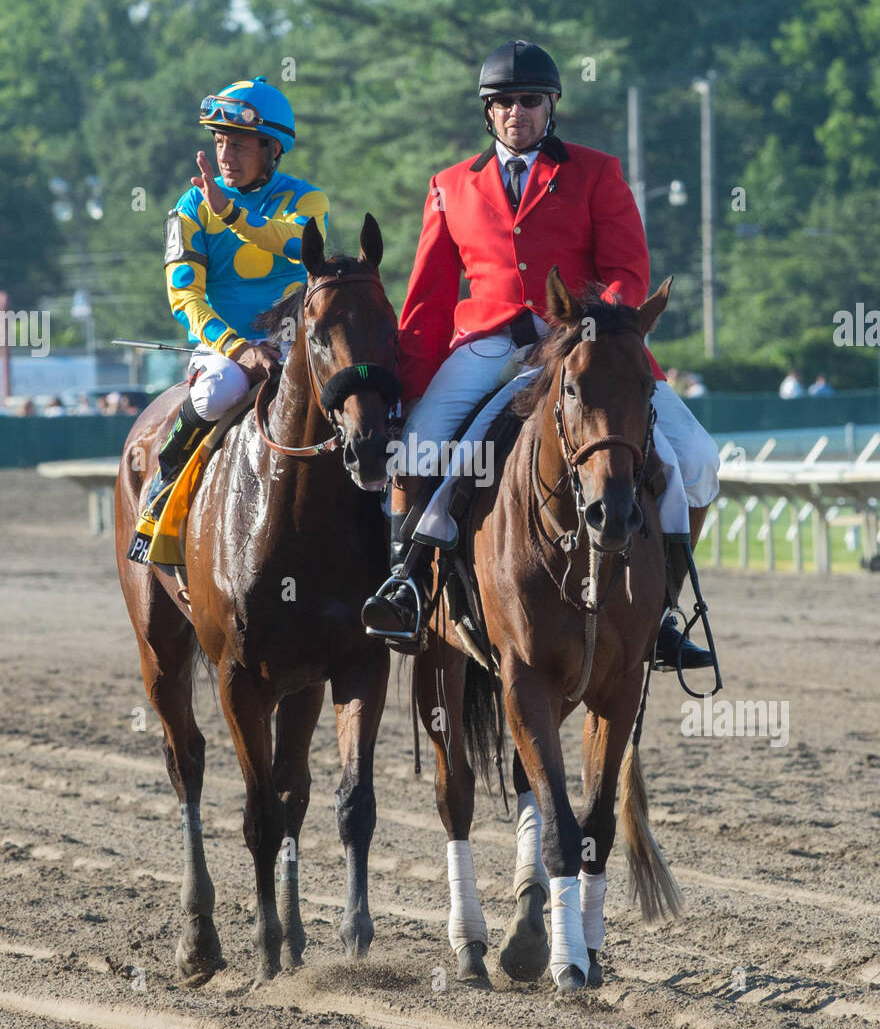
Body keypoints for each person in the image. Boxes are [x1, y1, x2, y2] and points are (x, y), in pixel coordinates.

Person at [362, 39, 720, 670]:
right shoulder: (449, 187)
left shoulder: (597, 172)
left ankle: (663, 609)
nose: (515, 112)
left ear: (550, 106)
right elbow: (426, 302)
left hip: (586, 344)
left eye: (529, 100)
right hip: (490, 342)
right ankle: (407, 582)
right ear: (487, 111)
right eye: (502, 102)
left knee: (698, 459)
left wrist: (589, 329)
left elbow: (627, 271)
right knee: (417, 444)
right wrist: (407, 389)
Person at [126, 76, 329, 563]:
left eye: (238, 144)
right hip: (225, 351)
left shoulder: (307, 200)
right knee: (218, 392)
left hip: (295, 345)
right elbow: (184, 298)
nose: (225, 155)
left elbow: (301, 245)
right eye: (219, 142)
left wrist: (235, 215)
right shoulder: (189, 206)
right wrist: (240, 349)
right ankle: (164, 479)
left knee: (366, 395)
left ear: (272, 148)